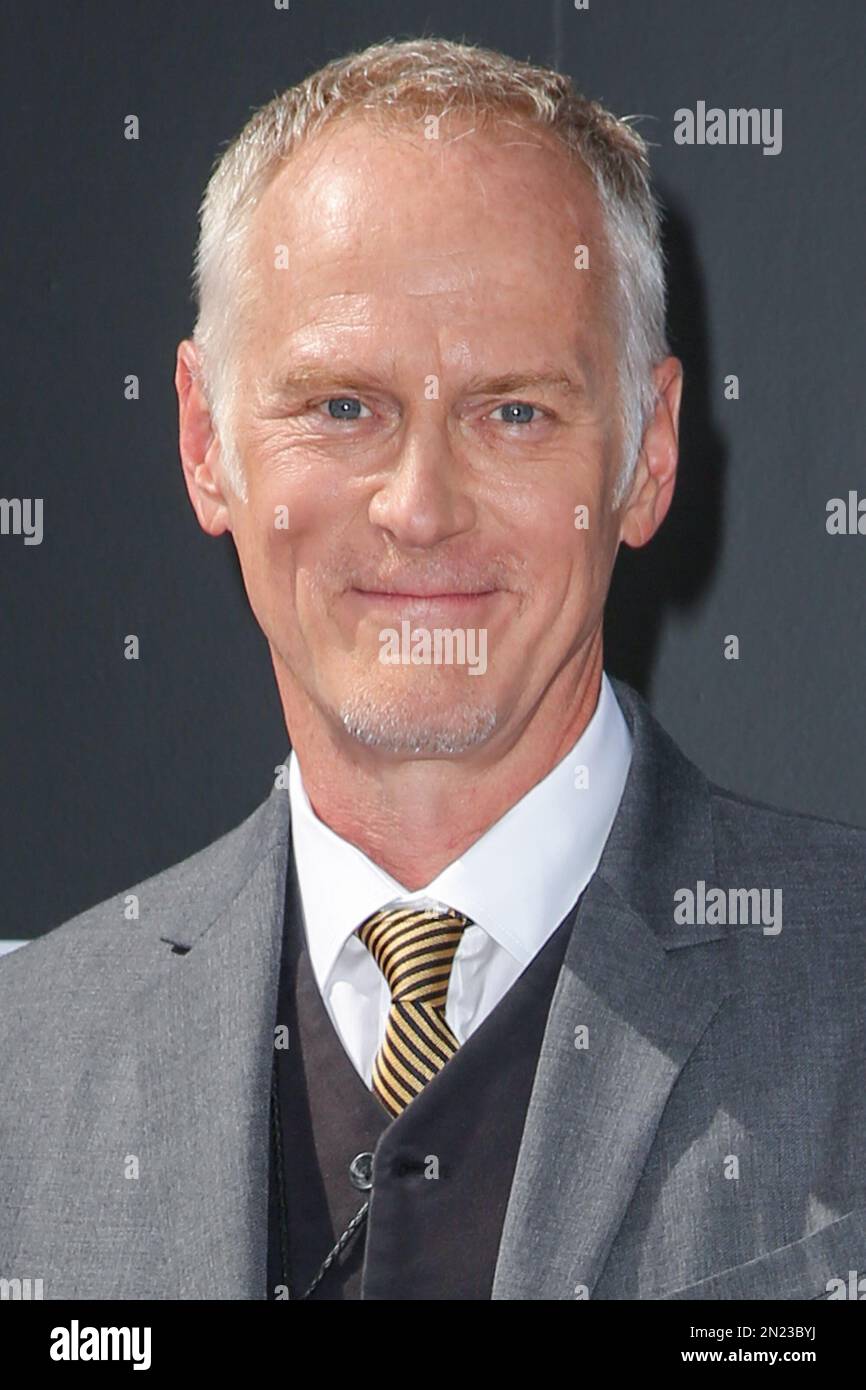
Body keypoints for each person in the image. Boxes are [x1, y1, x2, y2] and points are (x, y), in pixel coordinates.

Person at [1, 36, 864, 1302]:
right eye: (342, 407)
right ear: (204, 442)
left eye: (511, 411)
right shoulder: (27, 1066)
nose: (418, 506)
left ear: (647, 453)